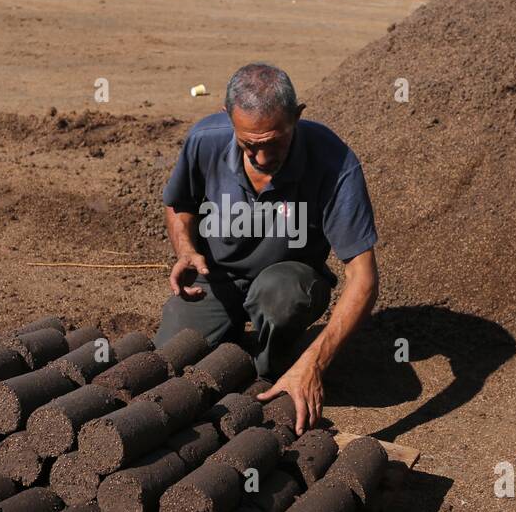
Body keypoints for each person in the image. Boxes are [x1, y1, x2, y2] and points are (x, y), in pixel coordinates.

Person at [156, 62, 379, 434]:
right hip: (217, 277)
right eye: (249, 146)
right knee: (171, 363)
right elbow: (180, 203)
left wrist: (316, 363)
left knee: (280, 298)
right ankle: (237, 343)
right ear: (227, 118)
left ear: (298, 116)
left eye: (274, 142)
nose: (261, 158)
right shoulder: (204, 140)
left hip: (288, 281)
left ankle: (278, 365)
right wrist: (185, 248)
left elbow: (364, 276)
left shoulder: (334, 162)